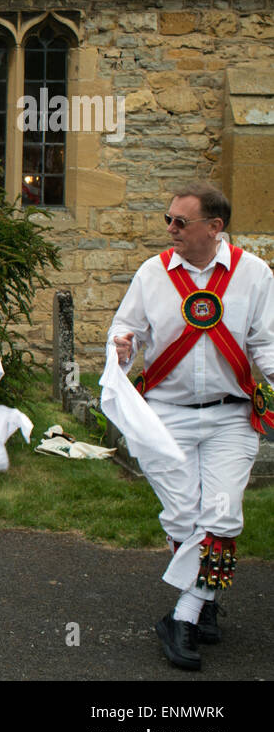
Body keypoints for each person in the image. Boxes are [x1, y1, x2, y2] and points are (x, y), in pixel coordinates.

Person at [110, 182, 274, 671]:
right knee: (184, 520)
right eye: (168, 220)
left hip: (231, 414)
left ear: (214, 227)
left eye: (181, 222)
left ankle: (181, 616)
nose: (171, 229)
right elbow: (127, 330)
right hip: (165, 415)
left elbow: (265, 344)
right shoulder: (152, 273)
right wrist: (121, 349)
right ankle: (205, 599)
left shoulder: (254, 274)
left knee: (220, 518)